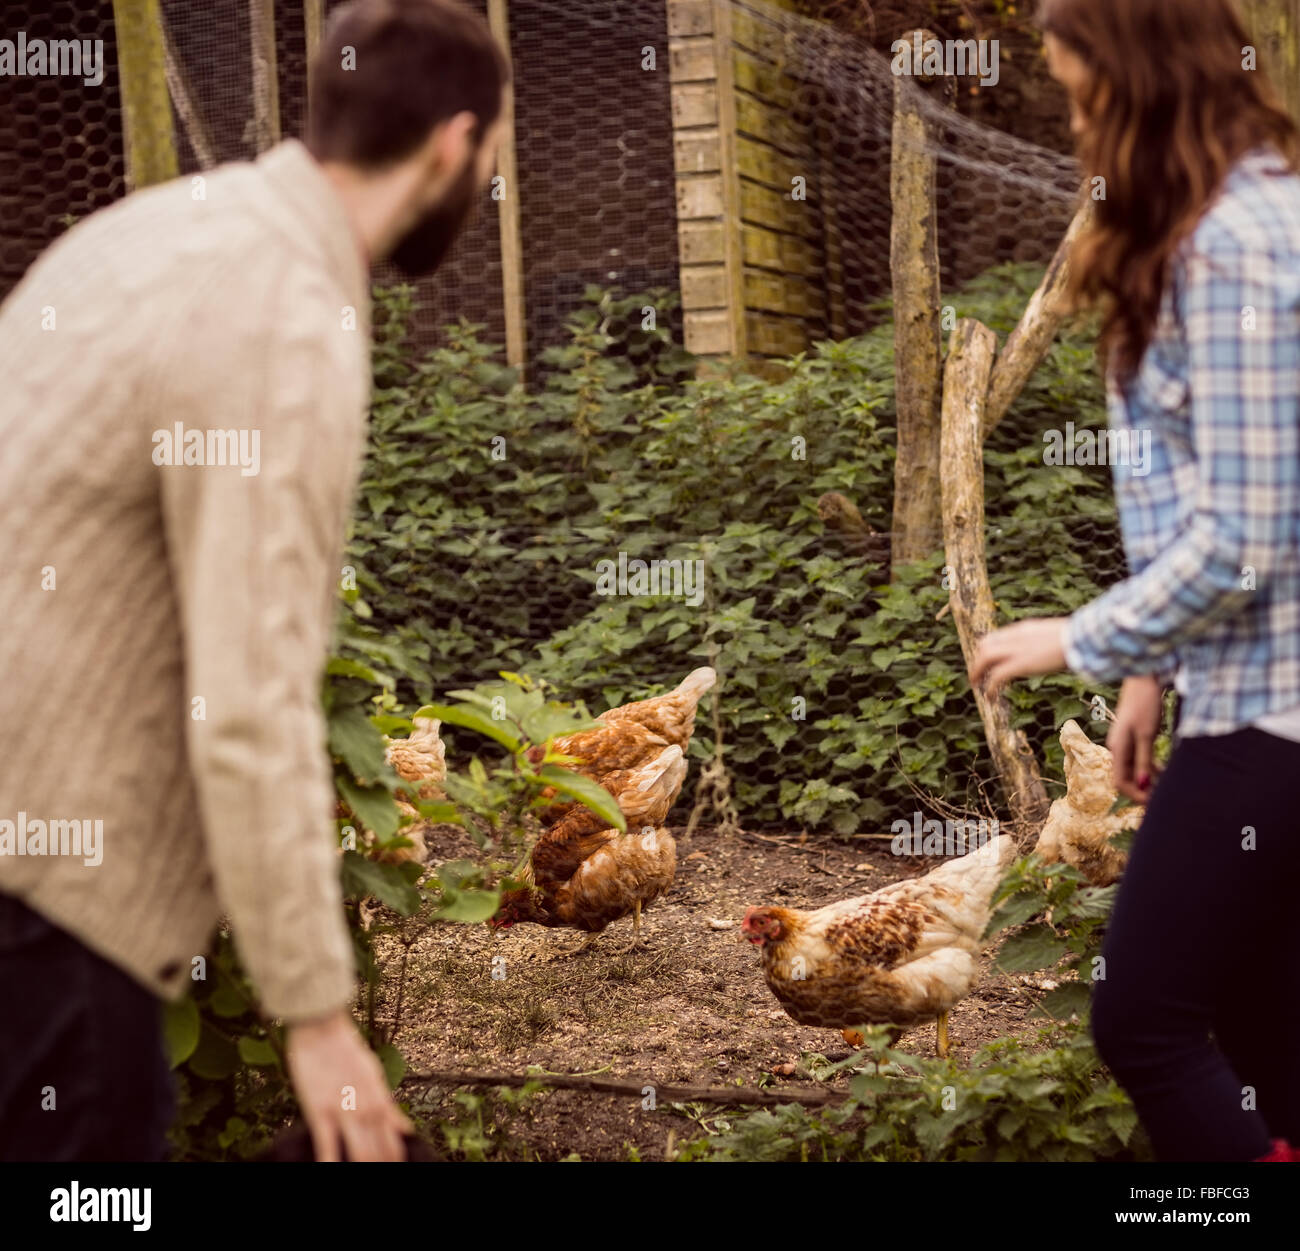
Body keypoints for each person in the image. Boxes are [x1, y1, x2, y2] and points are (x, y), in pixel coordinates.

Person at [0, 0, 507, 1163]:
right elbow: (246, 699)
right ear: (452, 143)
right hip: (52, 897)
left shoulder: (154, 233)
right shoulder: (286, 312)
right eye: (489, 160)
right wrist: (319, 1019)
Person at [971, 0, 1300, 1163]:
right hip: (1247, 688)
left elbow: (1250, 531)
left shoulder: (1232, 244)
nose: (1073, 123)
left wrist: (1088, 639)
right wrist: (1154, 668)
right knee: (1267, 1031)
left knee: (1146, 1018)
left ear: (1144, 83)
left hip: (1277, 712)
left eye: (1080, 92)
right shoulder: (1232, 225)